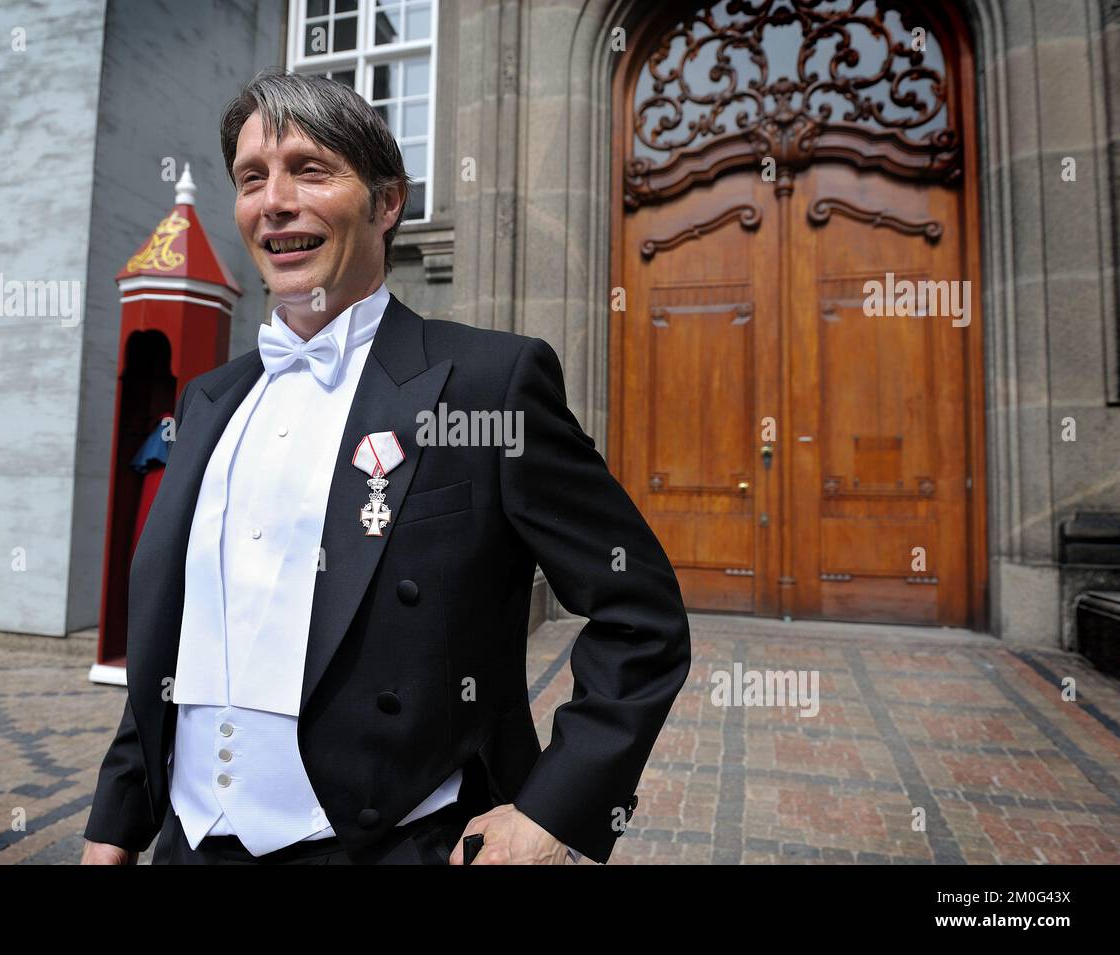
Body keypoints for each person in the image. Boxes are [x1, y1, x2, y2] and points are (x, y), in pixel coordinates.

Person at [81, 68, 690, 865]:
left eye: (310, 170)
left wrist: (552, 813)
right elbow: (179, 636)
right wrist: (112, 830)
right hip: (189, 846)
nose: (275, 201)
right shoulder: (207, 401)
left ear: (387, 202)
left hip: (394, 843)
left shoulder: (486, 382)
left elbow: (638, 611)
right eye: (252, 178)